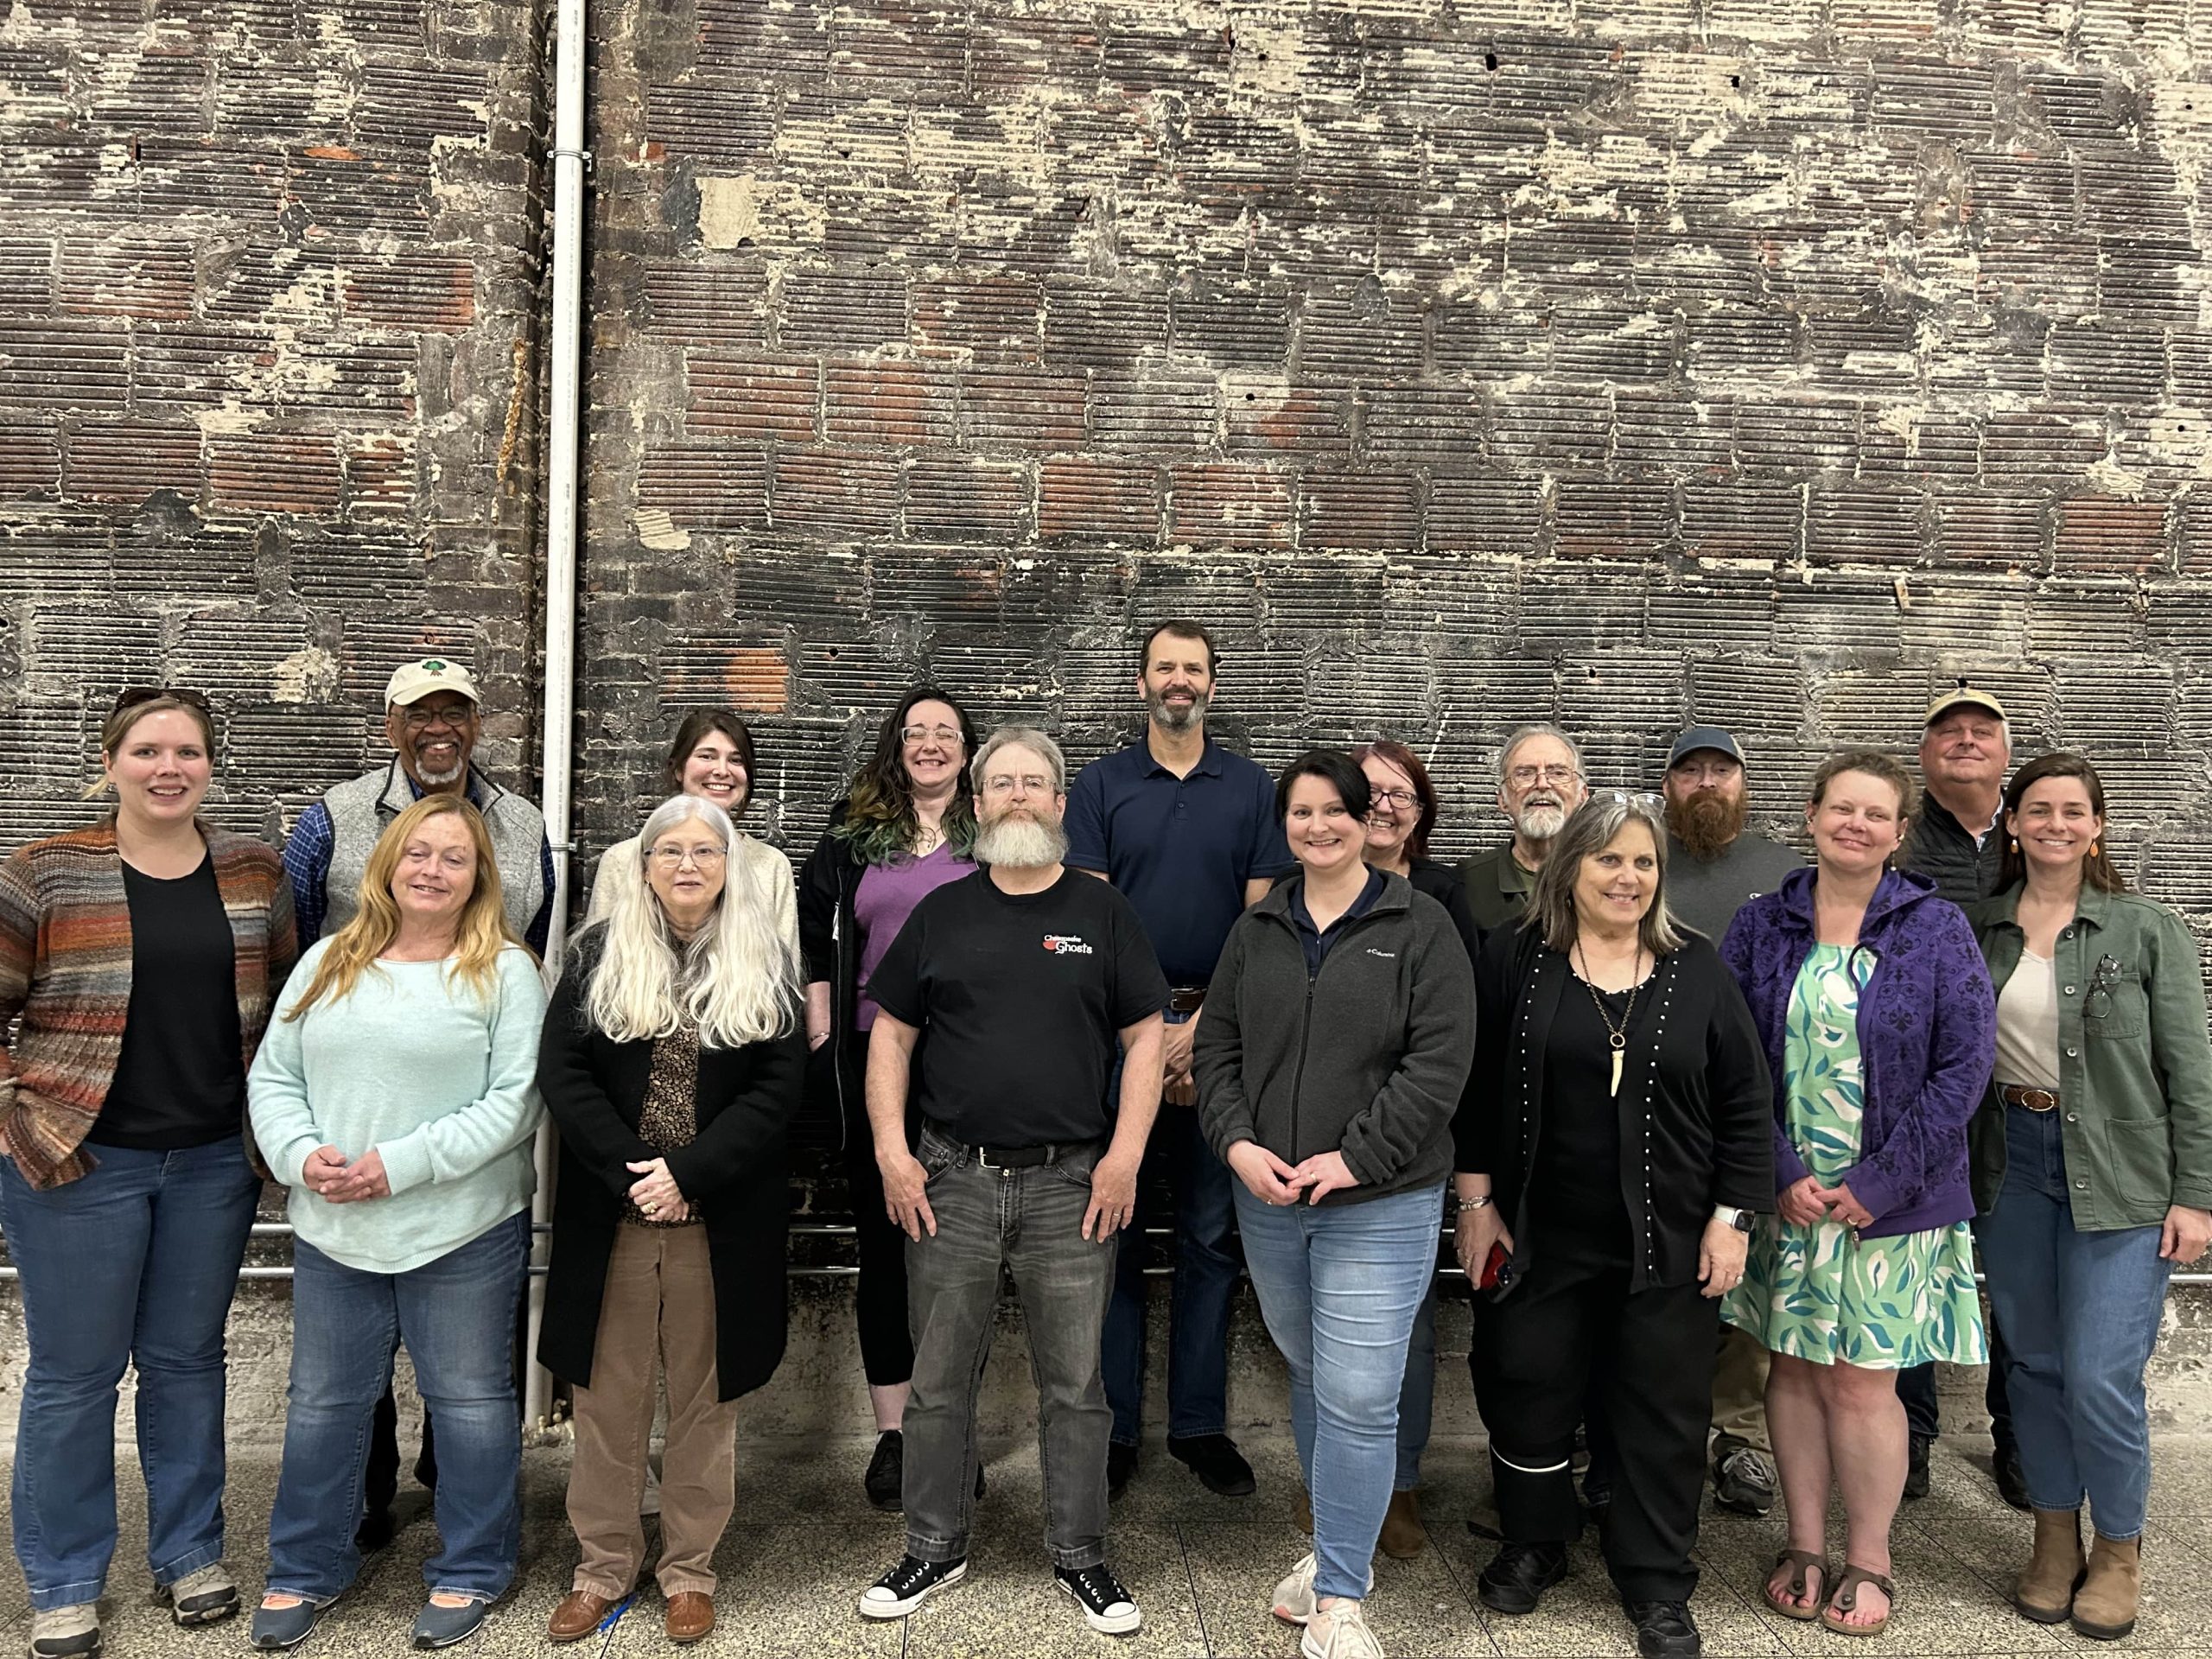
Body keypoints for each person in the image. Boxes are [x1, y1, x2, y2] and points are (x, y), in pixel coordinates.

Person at [0, 689, 297, 1659]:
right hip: (80, 1158)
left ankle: (189, 1554)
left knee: (184, 1364)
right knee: (75, 1376)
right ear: (112, 759)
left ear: (211, 764)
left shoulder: (253, 871)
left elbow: (288, 1008)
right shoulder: (46, 872)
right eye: (148, 751)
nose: (169, 768)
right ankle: (63, 1580)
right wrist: (14, 1113)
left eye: (188, 752)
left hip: (213, 1158)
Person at [855, 726, 1167, 1636]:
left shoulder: (1103, 913)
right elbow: (892, 1036)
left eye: (1036, 784)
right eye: (1002, 785)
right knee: (939, 1381)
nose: (1019, 797)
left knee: (1075, 1385)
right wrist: (890, 1150)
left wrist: (1125, 1155)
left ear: (1060, 805)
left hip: (1072, 1183)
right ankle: (932, 1547)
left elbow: (1146, 1034)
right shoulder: (943, 915)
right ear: (978, 803)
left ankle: (1081, 1557)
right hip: (950, 1178)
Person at [1456, 792, 1772, 1659]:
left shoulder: (1695, 968)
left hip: (1667, 1239)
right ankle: (1537, 1542)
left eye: (1643, 863)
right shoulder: (1514, 958)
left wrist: (1730, 1220)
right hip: (1537, 1231)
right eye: (1609, 861)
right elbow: (1476, 1089)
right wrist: (1476, 1205)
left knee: (1659, 1413)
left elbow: (1747, 1105)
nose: (1627, 877)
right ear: (1569, 869)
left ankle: (1656, 1580)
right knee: (1527, 1386)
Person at [246, 796, 546, 1652]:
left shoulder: (506, 973)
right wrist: (303, 1156)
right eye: (417, 853)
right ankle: (306, 1566)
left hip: (461, 1227)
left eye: (454, 858)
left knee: (472, 1407)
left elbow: (515, 1104)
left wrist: (400, 1164)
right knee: (323, 1407)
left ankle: (473, 1568)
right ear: (386, 864)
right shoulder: (325, 962)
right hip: (334, 1225)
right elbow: (275, 1078)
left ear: (480, 877)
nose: (432, 870)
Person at [1194, 750, 1476, 1659]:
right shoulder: (1257, 928)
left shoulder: (1420, 925)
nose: (1318, 827)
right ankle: (1326, 1557)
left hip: (1380, 1200)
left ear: (1367, 820)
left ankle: (1343, 1600)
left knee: (1358, 1393)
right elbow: (1219, 1054)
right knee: (1314, 1372)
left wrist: (1353, 1160)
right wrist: (1237, 1146)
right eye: (1301, 814)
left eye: (1335, 812)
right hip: (1270, 1197)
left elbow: (1438, 1066)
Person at [279, 656, 556, 1544]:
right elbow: (293, 939)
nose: (439, 728)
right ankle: (363, 1503)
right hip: (351, 1107)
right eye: (419, 714)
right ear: (391, 724)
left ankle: (456, 1495)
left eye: (456, 714)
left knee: (470, 1374)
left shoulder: (522, 825)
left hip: (465, 1121)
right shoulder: (333, 818)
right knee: (338, 1382)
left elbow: (533, 943)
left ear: (478, 725)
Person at [1719, 749, 1994, 1640]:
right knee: (1793, 1372)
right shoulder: (1760, 926)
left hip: (1890, 1203)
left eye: (1876, 815)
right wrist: (1778, 1170)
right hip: (1790, 1198)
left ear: (1898, 831)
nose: (1856, 826)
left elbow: (1963, 1068)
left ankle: (1868, 1558)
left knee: (1861, 1385)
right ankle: (1802, 1543)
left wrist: (1878, 1181)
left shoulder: (1936, 928)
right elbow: (1729, 1060)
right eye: (1841, 808)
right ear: (1810, 814)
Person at [539, 794, 807, 1647]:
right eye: (669, 852)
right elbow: (565, 1075)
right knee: (606, 1404)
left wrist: (688, 1175)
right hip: (612, 1219)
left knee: (703, 1406)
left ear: (730, 866)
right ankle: (602, 1567)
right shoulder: (595, 956)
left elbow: (777, 1091)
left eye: (706, 851)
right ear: (643, 866)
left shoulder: (763, 962)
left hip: (714, 1222)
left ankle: (689, 1571)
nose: (687, 865)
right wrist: (636, 1175)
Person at [1966, 753, 2212, 1642]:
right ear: (2014, 823)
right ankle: (2052, 1535)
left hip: (2123, 1172)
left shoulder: (2146, 929)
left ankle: (2117, 1550)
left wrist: (2197, 1196)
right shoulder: (1979, 926)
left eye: (2074, 810)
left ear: (2096, 826)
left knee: (2102, 1374)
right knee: (2031, 1364)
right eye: (2039, 810)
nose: (2056, 824)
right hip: (2013, 1167)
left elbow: (2191, 1071)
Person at [1067, 620, 1294, 1500]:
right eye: (1164, 667)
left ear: (1212, 684)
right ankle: (1116, 1428)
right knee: (1111, 1231)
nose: (1178, 681)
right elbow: (1094, 920)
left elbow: (1257, 925)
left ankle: (1199, 1426)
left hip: (1218, 1036)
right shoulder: (1099, 786)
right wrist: (1145, 1034)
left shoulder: (1250, 789)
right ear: (1140, 684)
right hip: (1118, 1034)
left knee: (1210, 1236)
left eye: (1193, 668)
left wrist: (1196, 1033)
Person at [798, 689, 980, 1509]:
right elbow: (814, 930)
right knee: (884, 1245)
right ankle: (898, 1435)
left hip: (969, 1057)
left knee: (962, 1255)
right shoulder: (854, 832)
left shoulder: (994, 833)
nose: (932, 744)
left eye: (948, 732)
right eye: (918, 733)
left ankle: (954, 1431)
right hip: (875, 1058)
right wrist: (820, 1018)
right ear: (896, 746)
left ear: (968, 750)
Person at [1333, 739, 1483, 1559]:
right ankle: (1333, 1484)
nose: (1383, 805)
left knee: (1407, 1325)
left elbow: (1450, 1035)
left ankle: (1400, 1487)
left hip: (1409, 1144)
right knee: (1324, 1334)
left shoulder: (1445, 897)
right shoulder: (1303, 892)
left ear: (1420, 815)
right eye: (1369, 791)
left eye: (1402, 795)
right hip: (1315, 1144)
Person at [1658, 725, 1803, 1520]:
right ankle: (1649, 1427)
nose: (1706, 784)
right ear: (1667, 786)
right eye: (1690, 773)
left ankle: (1739, 1437)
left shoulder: (1784, 872)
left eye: (1721, 772)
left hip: (1760, 1102)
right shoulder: (1637, 858)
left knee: (1750, 1276)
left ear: (1744, 785)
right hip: (1659, 1102)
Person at [1897, 685, 2023, 1506]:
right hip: (1923, 1092)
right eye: (1949, 730)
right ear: (1924, 754)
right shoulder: (1900, 839)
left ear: (2006, 753)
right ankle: (1907, 1441)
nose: (1966, 741)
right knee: (1907, 1260)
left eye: (1983, 729)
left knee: (2014, 1273)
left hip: (2020, 1091)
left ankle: (2019, 1438)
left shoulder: (2036, 833)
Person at [586, 708, 794, 948]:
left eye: (736, 760)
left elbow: (783, 973)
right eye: (707, 756)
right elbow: (598, 960)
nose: (722, 770)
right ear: (678, 769)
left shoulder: (771, 866)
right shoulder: (622, 860)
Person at [1458, 724, 1590, 933]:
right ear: (1502, 800)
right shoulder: (1467, 882)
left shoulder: (1608, 877)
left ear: (1582, 796)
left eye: (1558, 773)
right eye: (1525, 774)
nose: (1542, 784)